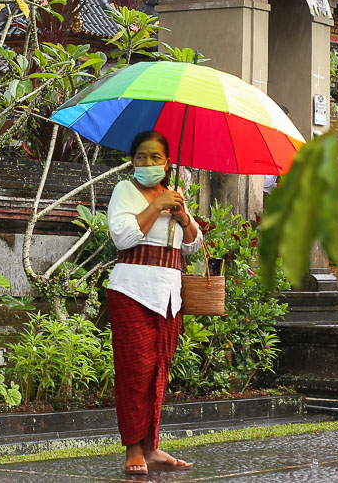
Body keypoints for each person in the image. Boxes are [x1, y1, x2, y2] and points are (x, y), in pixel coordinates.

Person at [107, 129, 204, 475]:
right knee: (135, 370)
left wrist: (183, 217)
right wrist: (157, 206)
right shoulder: (125, 191)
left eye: (155, 157)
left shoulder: (173, 194)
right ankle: (133, 448)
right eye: (141, 157)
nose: (148, 163)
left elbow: (191, 245)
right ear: (132, 161)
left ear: (167, 163)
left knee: (158, 372)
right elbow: (122, 235)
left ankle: (152, 447)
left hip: (168, 298)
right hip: (132, 292)